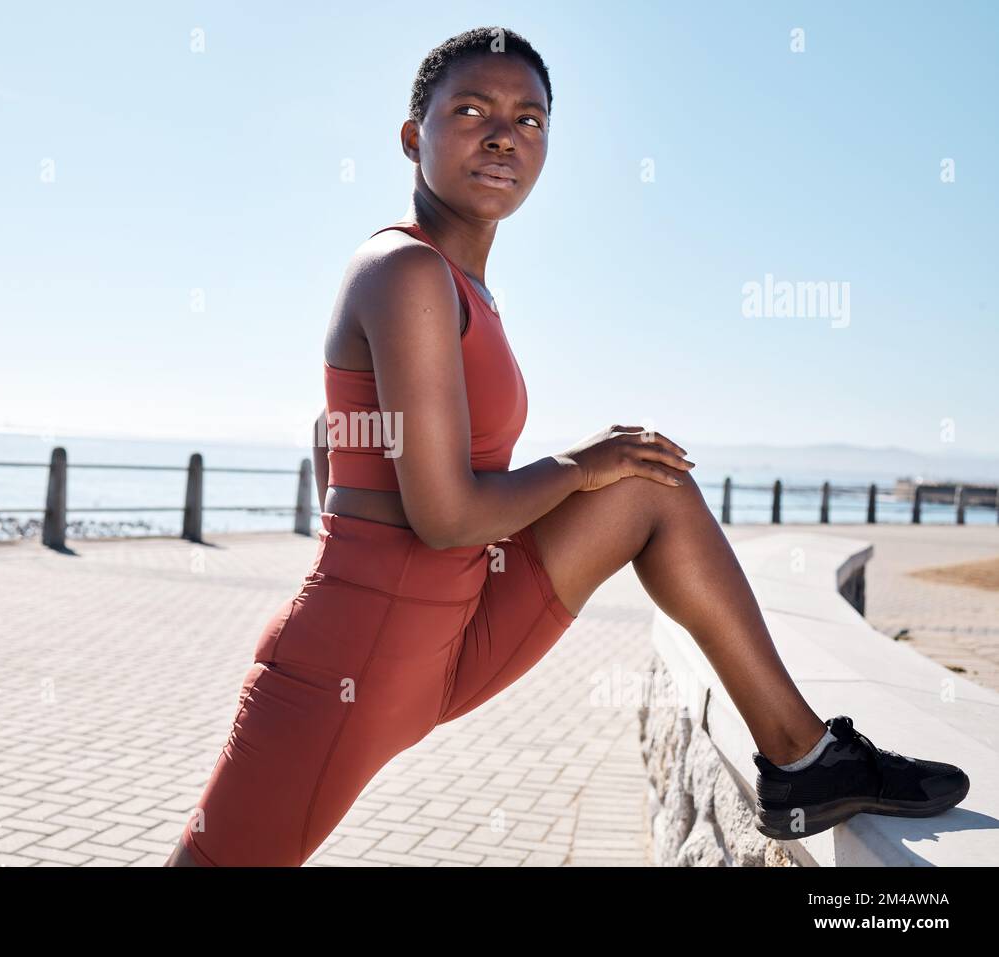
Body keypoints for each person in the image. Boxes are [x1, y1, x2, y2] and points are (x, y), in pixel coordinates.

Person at [164, 26, 969, 866]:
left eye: (530, 119)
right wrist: (580, 464)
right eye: (471, 110)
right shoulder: (402, 270)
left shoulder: (461, 283)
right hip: (354, 663)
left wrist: (579, 475)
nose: (504, 135)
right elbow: (442, 518)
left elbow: (335, 438)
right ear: (414, 136)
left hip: (453, 634)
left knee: (649, 483)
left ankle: (805, 761)